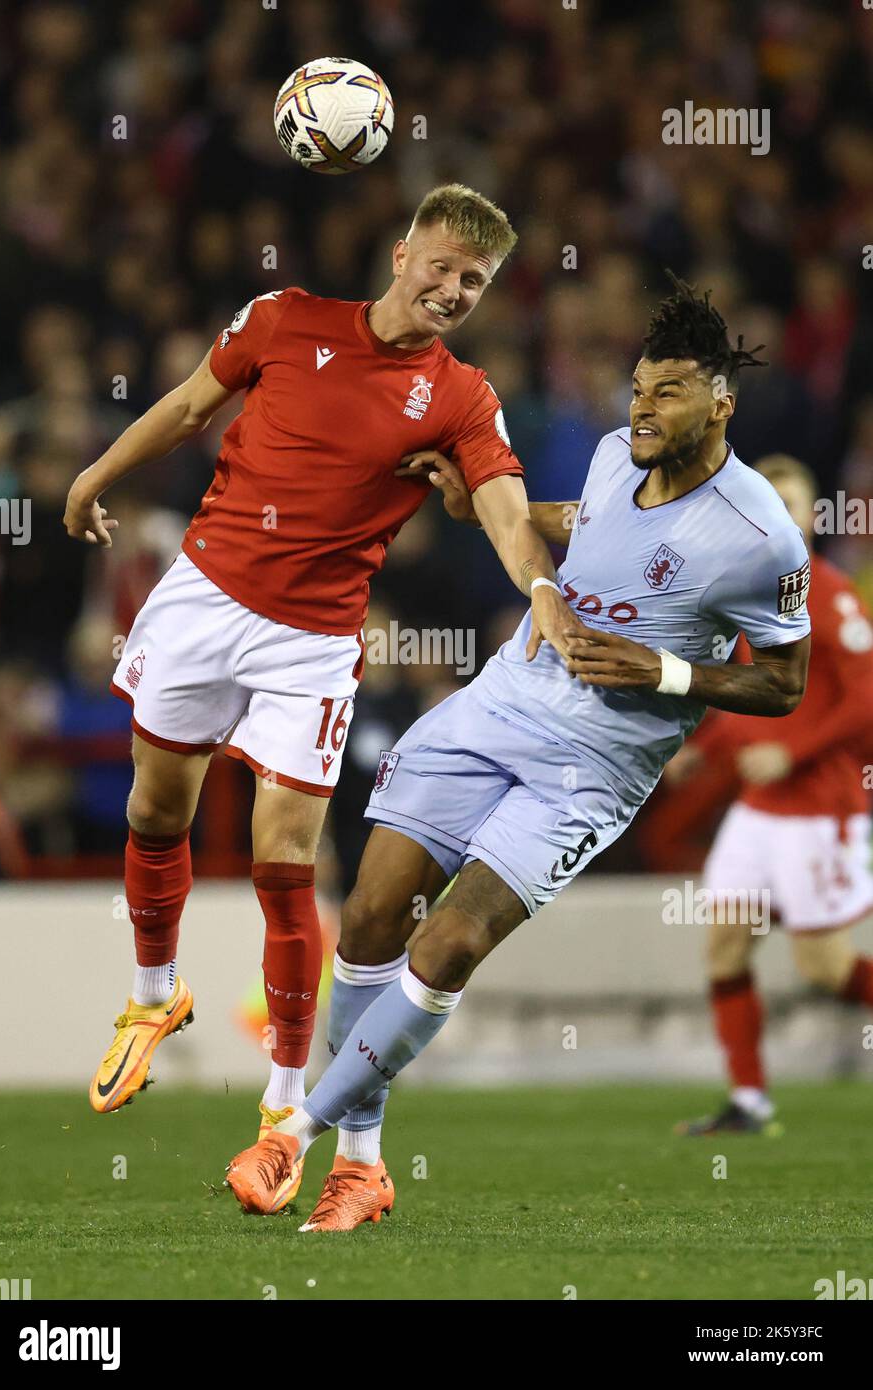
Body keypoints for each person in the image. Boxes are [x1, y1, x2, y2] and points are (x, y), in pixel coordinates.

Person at [224, 272, 813, 1230]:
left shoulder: (762, 537)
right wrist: (486, 510)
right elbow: (590, 526)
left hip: (595, 766)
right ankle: (362, 1170)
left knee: (447, 941)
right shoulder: (620, 454)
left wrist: (661, 673)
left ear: (721, 401)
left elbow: (785, 684)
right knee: (370, 918)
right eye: (636, 388)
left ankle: (291, 1134)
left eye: (667, 392)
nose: (643, 408)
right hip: (502, 700)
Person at [63, 185, 581, 1217]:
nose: (452, 290)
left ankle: (284, 1103)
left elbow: (504, 510)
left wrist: (540, 592)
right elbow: (185, 406)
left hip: (312, 643)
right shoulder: (284, 319)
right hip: (204, 595)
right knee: (154, 812)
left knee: (285, 859)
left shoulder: (461, 397)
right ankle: (154, 998)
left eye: (473, 282)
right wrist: (96, 472)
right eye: (440, 266)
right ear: (401, 255)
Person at [672, 455, 873, 1136]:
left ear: (812, 517)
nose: (778, 516)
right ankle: (750, 1102)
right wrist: (705, 752)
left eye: (791, 504)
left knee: (825, 968)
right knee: (725, 946)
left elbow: (865, 702)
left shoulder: (833, 594)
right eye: (767, 503)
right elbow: (749, 699)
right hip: (760, 814)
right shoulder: (756, 595)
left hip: (822, 808)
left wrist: (792, 752)